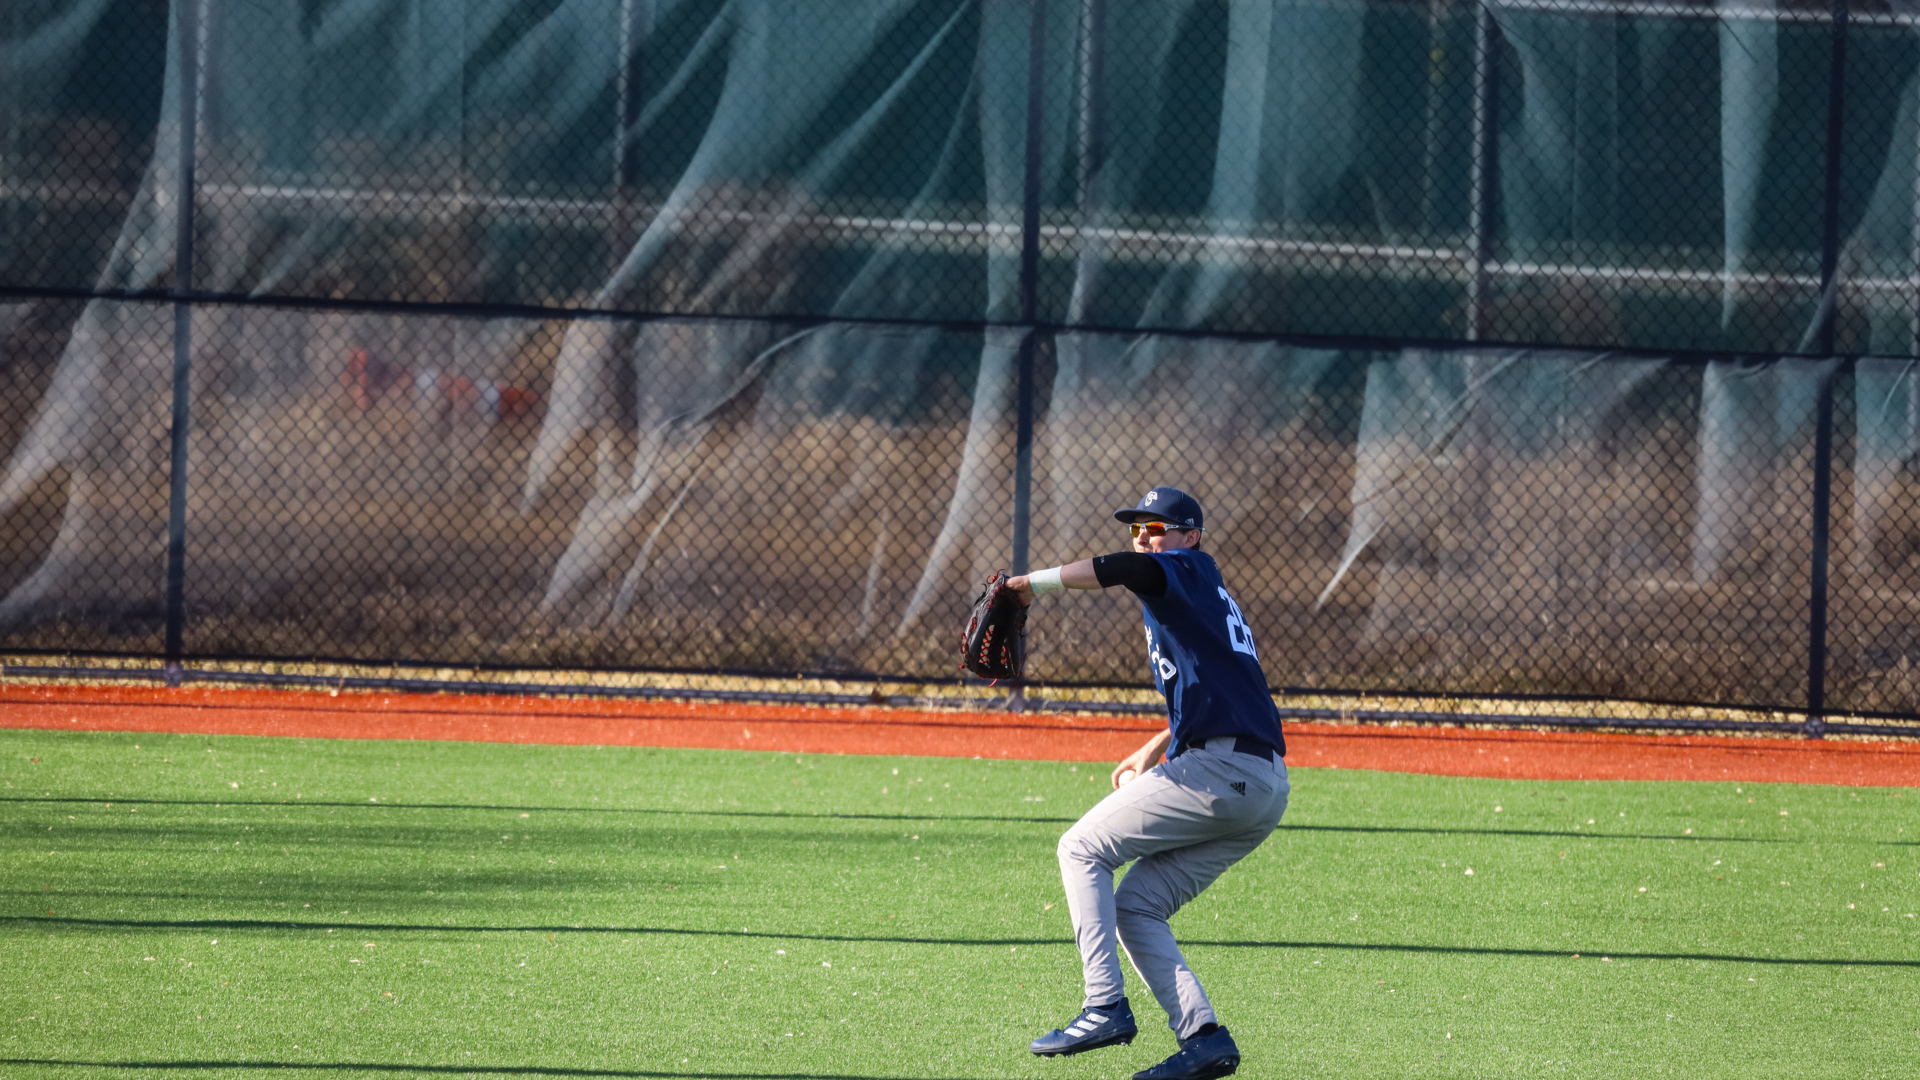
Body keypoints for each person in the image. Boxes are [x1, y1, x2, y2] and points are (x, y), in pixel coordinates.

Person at [1010, 486, 1288, 1080]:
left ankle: (1104, 1005)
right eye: (1138, 526)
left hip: (1224, 773)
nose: (1144, 536)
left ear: (1190, 535)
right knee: (1137, 907)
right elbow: (1226, 684)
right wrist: (1159, 742)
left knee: (1080, 847)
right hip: (1259, 784)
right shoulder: (1204, 591)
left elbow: (1126, 569)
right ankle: (1203, 1037)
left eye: (1158, 527)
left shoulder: (1183, 567)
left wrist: (1033, 583)